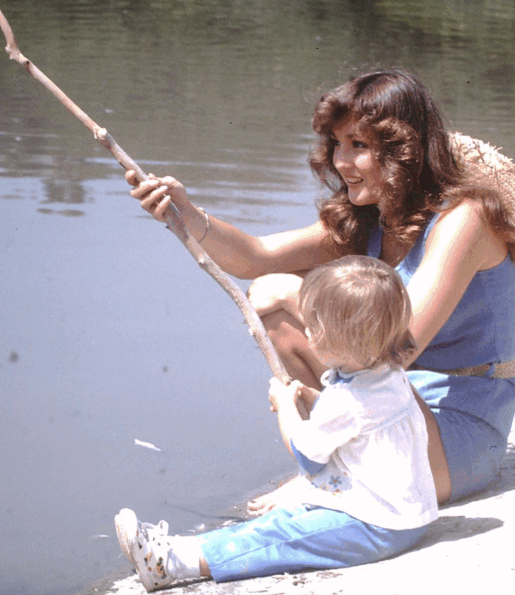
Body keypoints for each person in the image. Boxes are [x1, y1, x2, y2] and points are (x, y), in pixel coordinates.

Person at [126, 68, 515, 507]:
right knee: (272, 309)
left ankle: (329, 473)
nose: (341, 162)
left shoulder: (465, 219)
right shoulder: (369, 221)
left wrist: (294, 294)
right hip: (395, 410)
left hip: (455, 436)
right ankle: (326, 465)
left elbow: (396, 347)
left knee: (278, 296)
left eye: (359, 145)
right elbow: (255, 257)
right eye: (337, 144)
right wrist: (186, 215)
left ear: (403, 149)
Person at [115, 255, 438, 590]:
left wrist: (285, 406)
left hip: (376, 525)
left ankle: (168, 564)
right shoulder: (389, 376)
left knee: (282, 537)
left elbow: (305, 454)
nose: (308, 332)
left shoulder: (347, 401)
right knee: (287, 517)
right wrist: (317, 400)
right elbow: (363, 424)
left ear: (340, 339)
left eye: (313, 326)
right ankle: (181, 547)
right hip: (404, 513)